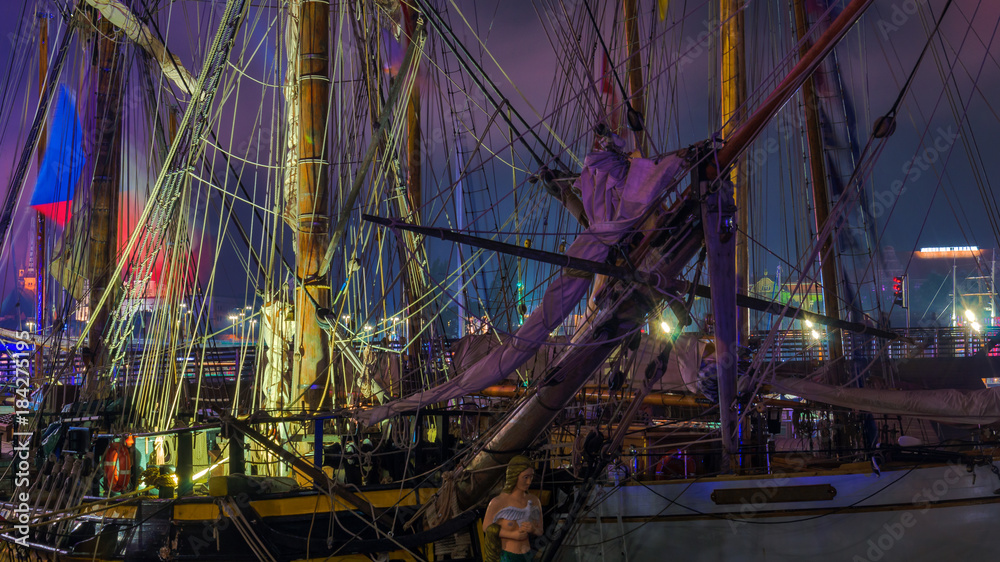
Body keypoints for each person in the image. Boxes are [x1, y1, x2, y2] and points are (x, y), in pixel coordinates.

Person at [482, 456, 543, 562]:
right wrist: (511, 535)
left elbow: (540, 531)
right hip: (507, 556)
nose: (529, 482)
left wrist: (533, 529)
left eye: (531, 477)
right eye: (525, 477)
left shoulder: (534, 501)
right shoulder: (498, 502)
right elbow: (486, 527)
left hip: (527, 556)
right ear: (514, 476)